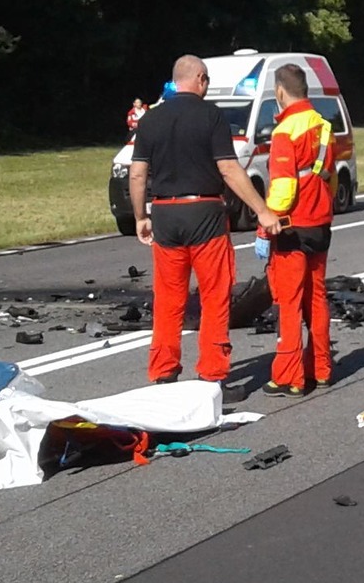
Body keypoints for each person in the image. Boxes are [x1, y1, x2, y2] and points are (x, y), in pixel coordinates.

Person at [128, 55, 280, 387]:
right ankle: (212, 374)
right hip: (206, 215)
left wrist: (141, 216)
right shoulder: (211, 116)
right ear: (199, 79)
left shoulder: (150, 120)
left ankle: (163, 372)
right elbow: (228, 169)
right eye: (207, 80)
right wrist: (262, 209)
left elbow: (138, 173)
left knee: (168, 300)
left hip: (165, 214)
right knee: (214, 296)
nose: (207, 86)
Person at [261, 64, 336, 396]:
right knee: (316, 299)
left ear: (280, 91)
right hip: (320, 223)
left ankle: (290, 376)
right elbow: (329, 178)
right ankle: (320, 369)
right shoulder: (323, 126)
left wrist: (266, 227)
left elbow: (283, 187)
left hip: (292, 227)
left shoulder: (284, 131)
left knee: (289, 303)